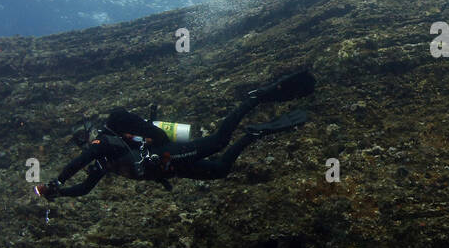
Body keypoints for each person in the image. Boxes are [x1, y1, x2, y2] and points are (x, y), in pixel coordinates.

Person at [35, 69, 315, 199]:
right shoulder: (101, 162)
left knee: (218, 142)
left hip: (166, 156)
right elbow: (84, 188)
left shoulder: (102, 143)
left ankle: (253, 99)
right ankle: (252, 135)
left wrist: (56, 182)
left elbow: (77, 164)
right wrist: (61, 194)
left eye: (81, 139)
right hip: (169, 168)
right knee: (219, 170)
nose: (83, 144)